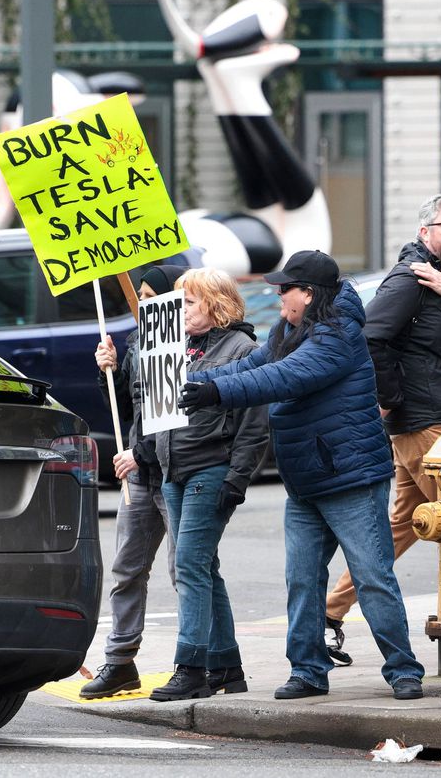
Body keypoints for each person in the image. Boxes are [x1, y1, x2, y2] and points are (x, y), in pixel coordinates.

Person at [178, 250, 426, 700]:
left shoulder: (340, 334)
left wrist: (216, 391)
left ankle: (403, 669)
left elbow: (285, 377)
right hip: (306, 479)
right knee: (301, 579)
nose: (276, 295)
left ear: (308, 295)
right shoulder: (286, 329)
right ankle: (308, 671)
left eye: (285, 288)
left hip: (349, 476)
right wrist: (191, 378)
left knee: (372, 577)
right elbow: (251, 367)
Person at [323, 193, 441, 665]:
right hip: (422, 424)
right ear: (424, 231)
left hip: (437, 419)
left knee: (397, 529)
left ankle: (327, 616)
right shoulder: (411, 278)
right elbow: (371, 337)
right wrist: (391, 400)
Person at [147, 268, 266, 701]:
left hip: (211, 467)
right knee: (203, 568)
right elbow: (150, 404)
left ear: (215, 304)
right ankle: (227, 667)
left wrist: (237, 478)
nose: (180, 310)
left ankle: (191, 666)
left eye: (190, 302)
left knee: (189, 567)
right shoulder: (174, 346)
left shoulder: (242, 349)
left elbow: (254, 424)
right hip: (173, 468)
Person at [81, 265, 187, 699]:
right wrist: (112, 371)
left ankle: (201, 658)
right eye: (138, 294)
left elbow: (178, 419)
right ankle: (121, 661)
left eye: (149, 294)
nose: (141, 302)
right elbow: (132, 405)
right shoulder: (139, 339)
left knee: (188, 572)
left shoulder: (188, 343)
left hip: (175, 473)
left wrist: (138, 454)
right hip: (141, 474)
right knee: (127, 569)